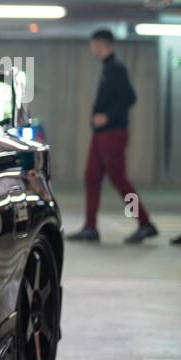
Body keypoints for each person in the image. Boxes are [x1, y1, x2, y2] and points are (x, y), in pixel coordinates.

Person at [69, 29, 157, 244]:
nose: (92, 49)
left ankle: (144, 223)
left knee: (118, 178)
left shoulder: (116, 68)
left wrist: (107, 117)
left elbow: (129, 97)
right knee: (91, 176)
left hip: (113, 133)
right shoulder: (107, 69)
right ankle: (90, 227)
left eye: (93, 45)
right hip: (100, 134)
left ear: (100, 44)